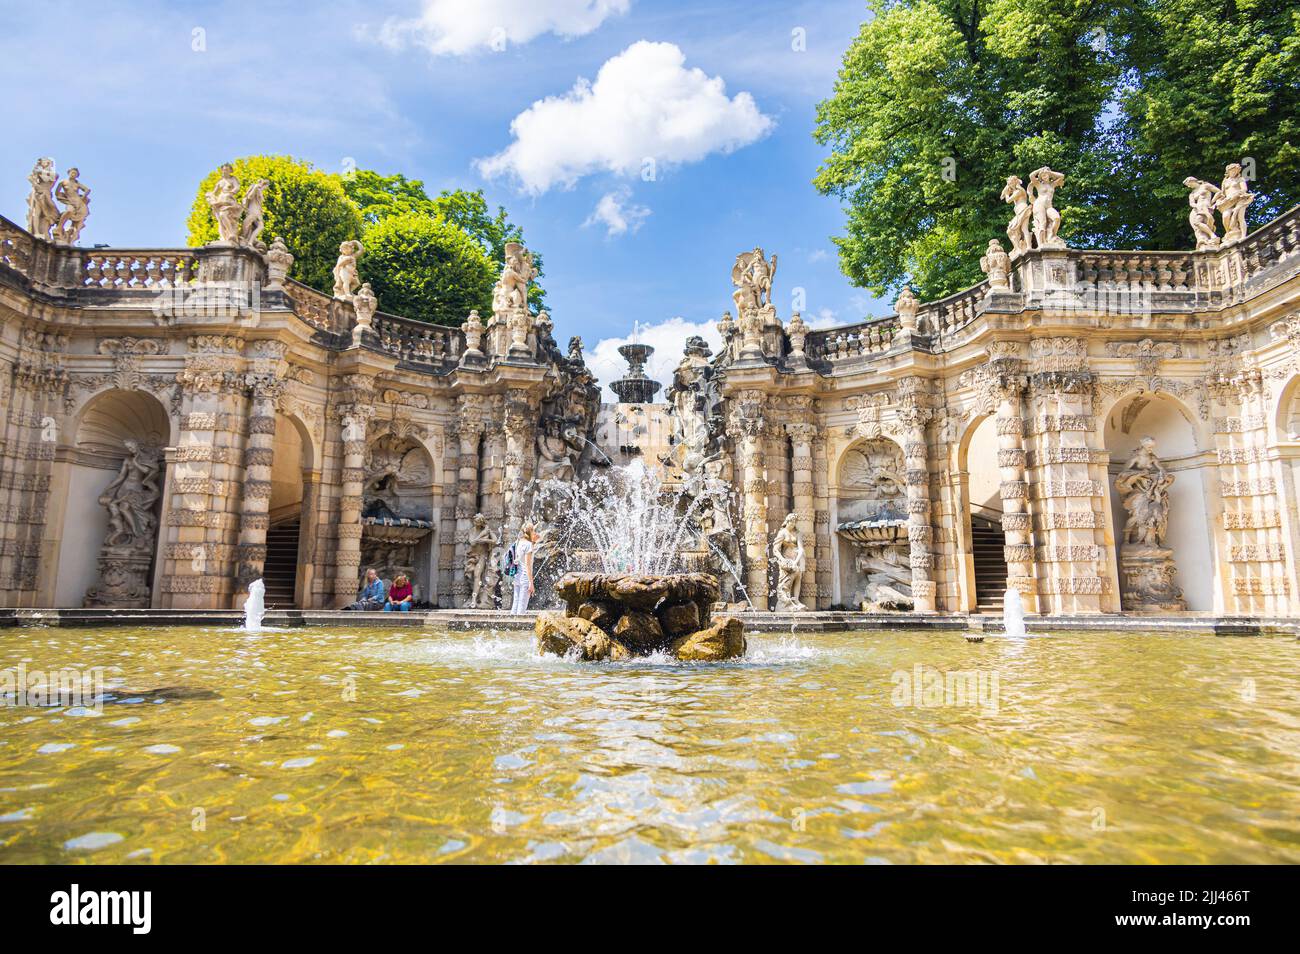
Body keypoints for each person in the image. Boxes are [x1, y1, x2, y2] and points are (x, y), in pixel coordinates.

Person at [507, 523, 539, 613]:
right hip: (525, 579)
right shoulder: (528, 545)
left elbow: (521, 559)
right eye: (534, 531)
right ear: (531, 532)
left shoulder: (518, 542)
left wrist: (533, 542)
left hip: (517, 577)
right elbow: (527, 565)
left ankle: (511, 625)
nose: (535, 533)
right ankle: (518, 626)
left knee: (515, 605)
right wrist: (531, 583)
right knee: (522, 607)